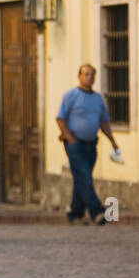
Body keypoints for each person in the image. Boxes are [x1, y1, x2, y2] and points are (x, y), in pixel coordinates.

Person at [56, 63, 121, 225]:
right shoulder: (70, 95)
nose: (89, 77)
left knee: (82, 178)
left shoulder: (98, 99)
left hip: (91, 144)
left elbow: (104, 122)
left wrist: (113, 142)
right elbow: (60, 118)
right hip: (74, 144)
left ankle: (75, 214)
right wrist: (69, 137)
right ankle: (96, 212)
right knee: (84, 176)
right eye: (86, 74)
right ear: (79, 76)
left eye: (92, 74)